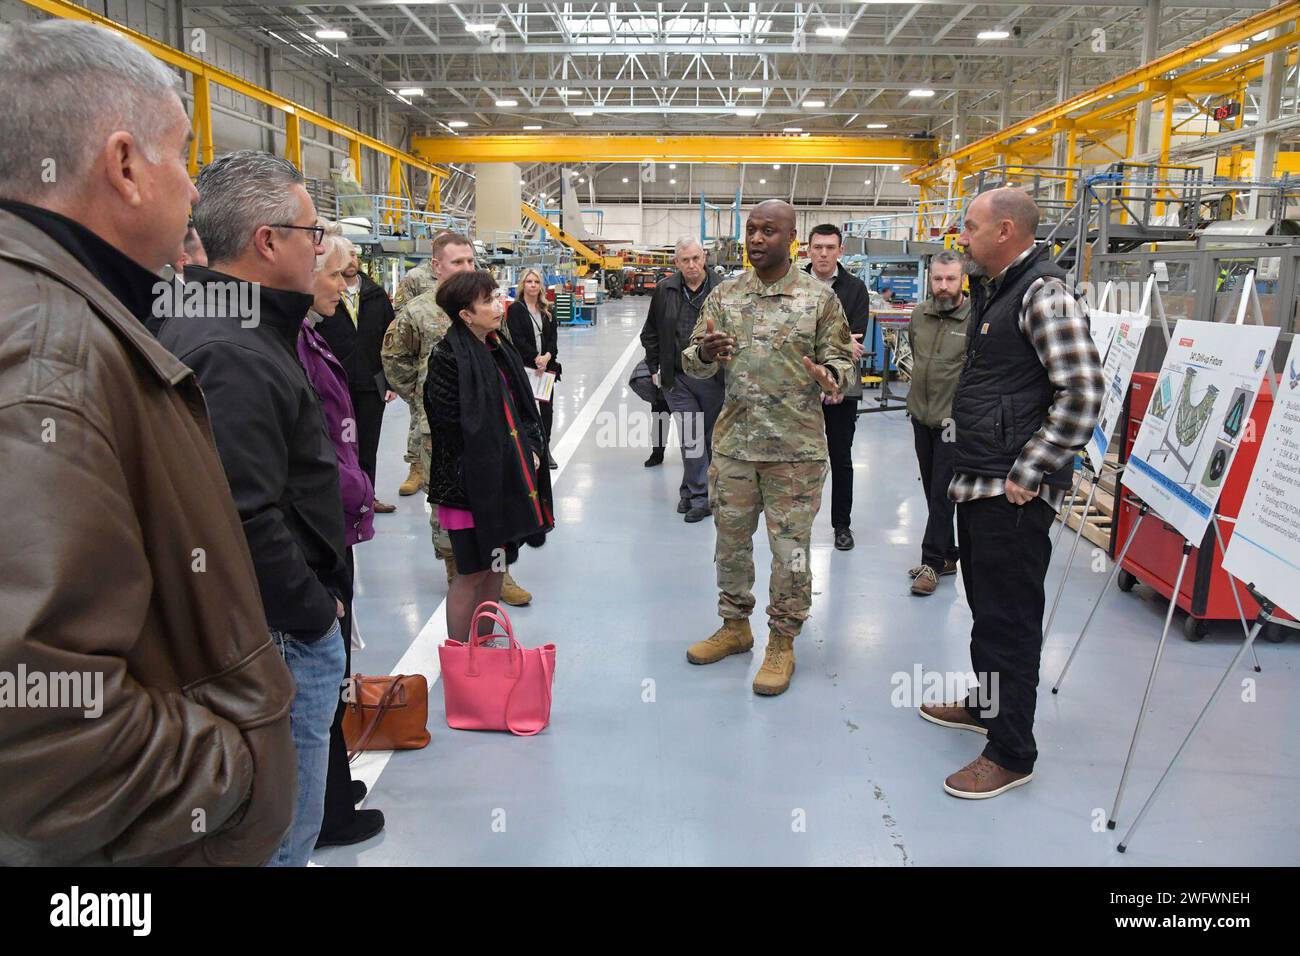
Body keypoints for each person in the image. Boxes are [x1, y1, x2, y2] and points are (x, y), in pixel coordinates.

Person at [0, 20, 294, 865]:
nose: (196, 191)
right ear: (125, 166)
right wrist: (233, 770)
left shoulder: (67, 315)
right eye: (182, 154)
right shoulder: (48, 352)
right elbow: (39, 720)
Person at [158, 150, 350, 865]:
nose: (320, 246)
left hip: (258, 629)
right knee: (278, 836)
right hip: (277, 638)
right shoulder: (232, 349)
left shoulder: (221, 324)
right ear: (267, 241)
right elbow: (243, 514)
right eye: (312, 231)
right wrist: (314, 612)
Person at [918, 187, 1102, 799]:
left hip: (1011, 492)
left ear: (1004, 231)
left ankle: (1011, 751)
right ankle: (987, 705)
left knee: (1010, 620)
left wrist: (1032, 469)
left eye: (968, 228)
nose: (959, 238)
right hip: (981, 480)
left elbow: (1082, 391)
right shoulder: (997, 290)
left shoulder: (1045, 294)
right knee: (986, 611)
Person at [681, 199, 855, 697]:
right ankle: (735, 627)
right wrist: (705, 354)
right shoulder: (725, 295)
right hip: (735, 445)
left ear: (791, 238)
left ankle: (783, 638)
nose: (756, 239)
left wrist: (831, 376)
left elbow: (844, 364)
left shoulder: (818, 299)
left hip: (795, 451)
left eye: (769, 231)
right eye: (751, 230)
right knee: (730, 544)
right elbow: (693, 362)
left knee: (791, 551)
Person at [384, 233, 533, 605]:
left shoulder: (489, 306)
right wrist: (422, 400)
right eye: (457, 263)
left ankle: (501, 574)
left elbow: (504, 356)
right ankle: (458, 569)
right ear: (437, 267)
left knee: (495, 502)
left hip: (491, 431)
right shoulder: (418, 312)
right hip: (441, 433)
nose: (467, 268)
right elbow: (394, 362)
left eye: (470, 261)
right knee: (452, 508)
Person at [297, 226, 386, 849]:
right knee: (318, 674)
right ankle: (323, 808)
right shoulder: (286, 344)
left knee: (334, 672)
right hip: (314, 534)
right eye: (335, 274)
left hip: (335, 522)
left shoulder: (309, 333)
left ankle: (332, 786)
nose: (344, 284)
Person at [424, 270, 555, 643]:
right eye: (489, 301)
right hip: (469, 486)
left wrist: (529, 449)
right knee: (472, 572)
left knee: (497, 565)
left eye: (497, 297)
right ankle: (460, 655)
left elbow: (525, 409)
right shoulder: (447, 357)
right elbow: (452, 428)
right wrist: (506, 456)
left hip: (506, 482)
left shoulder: (499, 347)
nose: (499, 306)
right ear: (465, 314)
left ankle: (483, 643)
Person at [641, 237, 724, 522]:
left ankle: (688, 490)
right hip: (678, 377)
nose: (692, 265)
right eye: (685, 260)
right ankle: (702, 497)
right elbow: (649, 332)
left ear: (705, 258)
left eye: (696, 258)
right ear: (676, 263)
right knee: (691, 436)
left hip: (714, 377)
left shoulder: (722, 289)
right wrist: (654, 366)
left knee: (708, 438)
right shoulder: (665, 290)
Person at [906, 250, 971, 596]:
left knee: (942, 492)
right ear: (929, 279)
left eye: (950, 279)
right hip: (921, 416)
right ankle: (948, 554)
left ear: (962, 280)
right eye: (937, 279)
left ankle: (931, 562)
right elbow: (918, 358)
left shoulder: (973, 319)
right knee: (932, 488)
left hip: (951, 423)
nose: (943, 287)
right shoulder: (919, 315)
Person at [317, 240, 398, 512]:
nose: (351, 260)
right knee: (337, 440)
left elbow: (391, 339)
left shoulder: (376, 295)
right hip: (333, 381)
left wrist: (389, 380)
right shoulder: (324, 294)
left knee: (367, 444)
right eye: (346, 255)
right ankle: (338, 498)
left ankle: (366, 497)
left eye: (354, 254)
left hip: (369, 382)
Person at [804, 224, 869, 550]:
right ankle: (795, 526)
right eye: (818, 247)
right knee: (797, 460)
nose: (824, 253)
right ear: (808, 249)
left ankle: (841, 525)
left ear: (840, 251)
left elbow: (854, 344)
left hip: (842, 388)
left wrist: (830, 364)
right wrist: (835, 344)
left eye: (830, 247)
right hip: (800, 390)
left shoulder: (855, 289)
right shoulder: (793, 283)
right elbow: (786, 341)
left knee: (841, 458)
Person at [393, 252, 440, 495]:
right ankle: (416, 467)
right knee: (419, 421)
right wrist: (411, 386)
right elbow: (401, 315)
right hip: (423, 362)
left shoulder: (469, 281)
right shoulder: (415, 277)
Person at [505, 267, 561, 468]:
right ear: (523, 285)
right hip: (525, 369)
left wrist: (546, 357)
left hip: (545, 370)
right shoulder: (515, 310)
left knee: (547, 411)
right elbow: (517, 339)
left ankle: (545, 450)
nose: (533, 285)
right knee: (524, 409)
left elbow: (553, 339)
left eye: (536, 282)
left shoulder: (547, 310)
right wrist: (535, 358)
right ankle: (527, 449)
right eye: (529, 282)